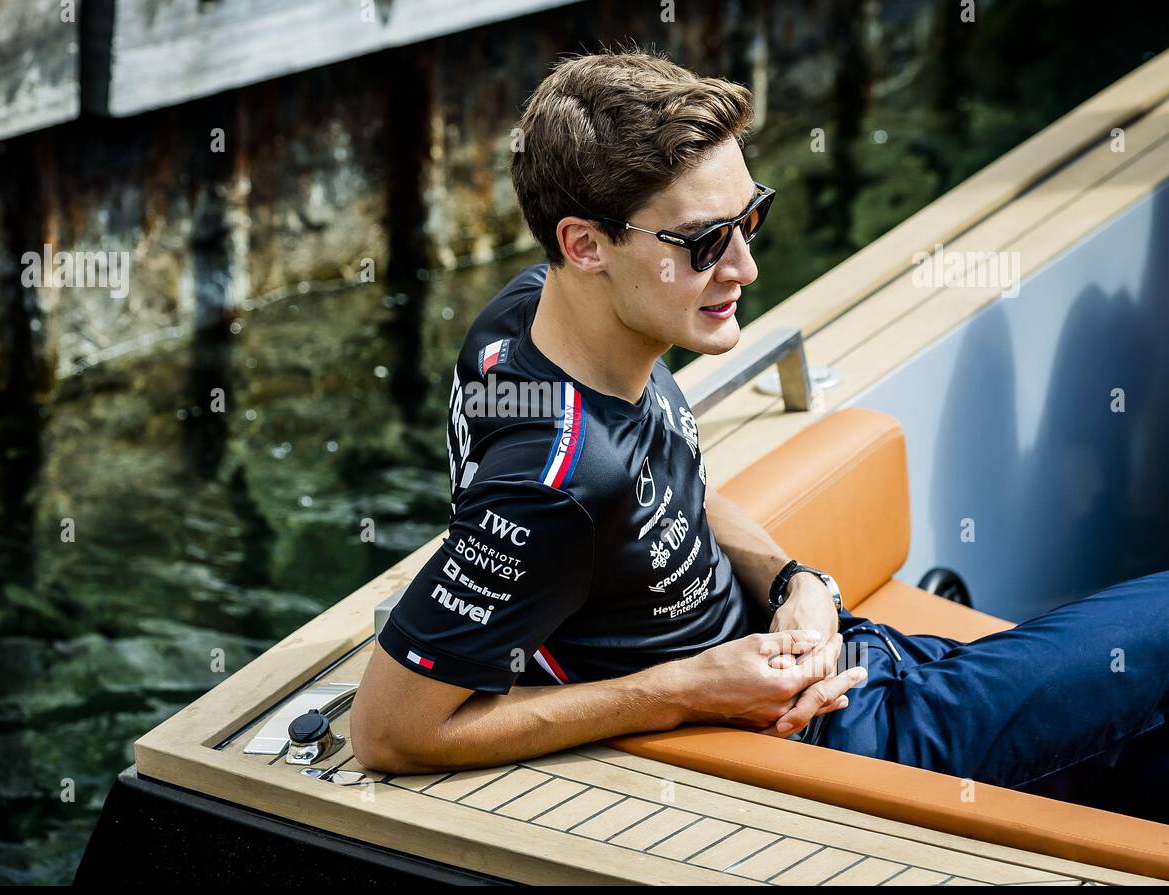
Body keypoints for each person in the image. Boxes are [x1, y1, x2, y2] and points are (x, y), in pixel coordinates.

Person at [349, 48, 1169, 825]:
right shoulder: (548, 486)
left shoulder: (533, 311)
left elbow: (678, 492)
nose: (742, 267)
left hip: (843, 658)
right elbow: (388, 732)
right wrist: (691, 686)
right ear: (585, 244)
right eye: (704, 241)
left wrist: (795, 582)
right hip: (846, 738)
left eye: (751, 218)